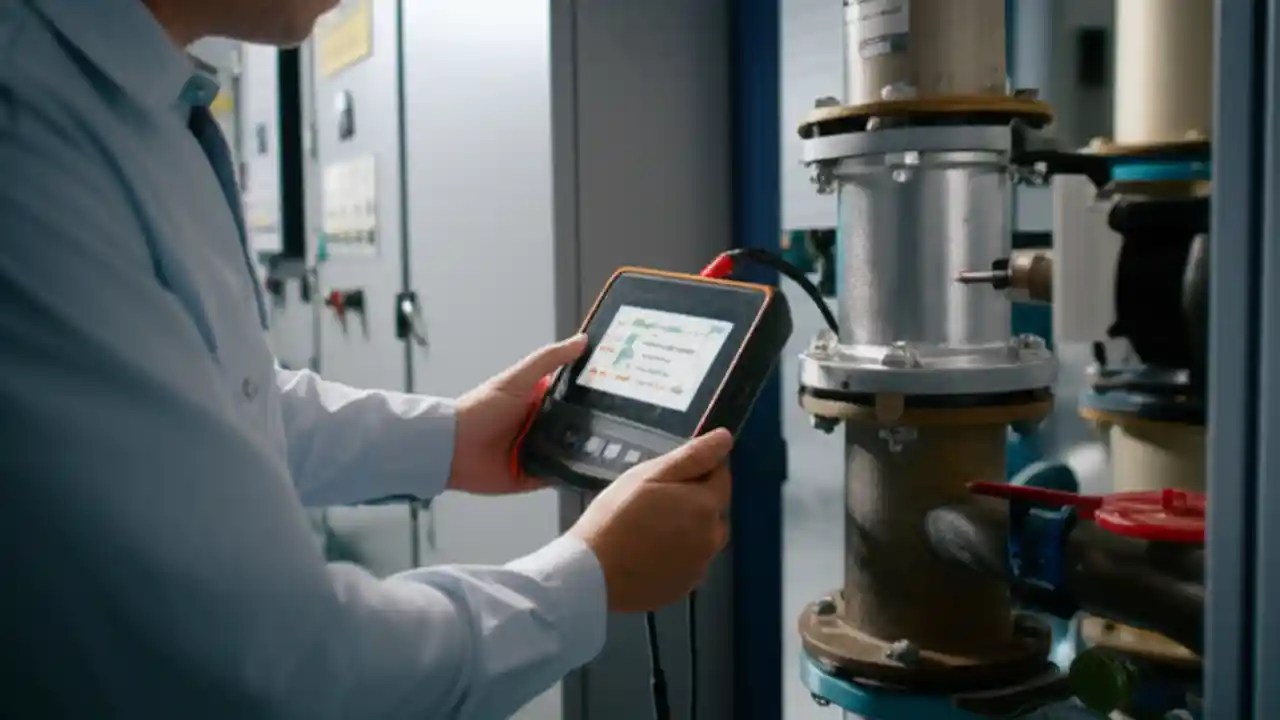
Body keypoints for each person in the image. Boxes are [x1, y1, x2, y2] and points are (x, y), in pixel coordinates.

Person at [0, 0, 734, 717]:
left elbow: (206, 402)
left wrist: (449, 438)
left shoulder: (119, 105)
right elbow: (277, 668)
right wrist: (586, 581)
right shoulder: (30, 137)